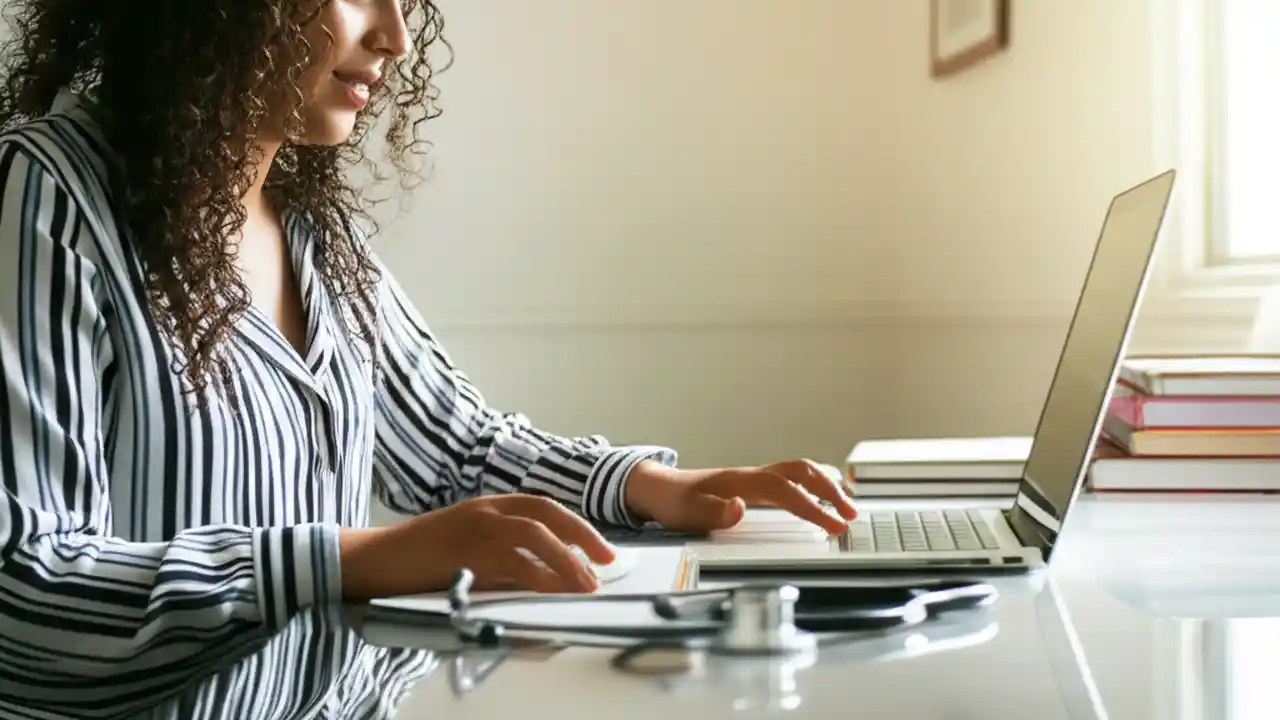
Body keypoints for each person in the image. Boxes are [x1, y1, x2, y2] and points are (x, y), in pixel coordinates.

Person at [0, 0, 858, 708]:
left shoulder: (310, 229)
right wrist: (354, 558)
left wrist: (659, 489)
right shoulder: (40, 200)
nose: (396, 35)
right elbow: (22, 589)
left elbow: (457, 451)